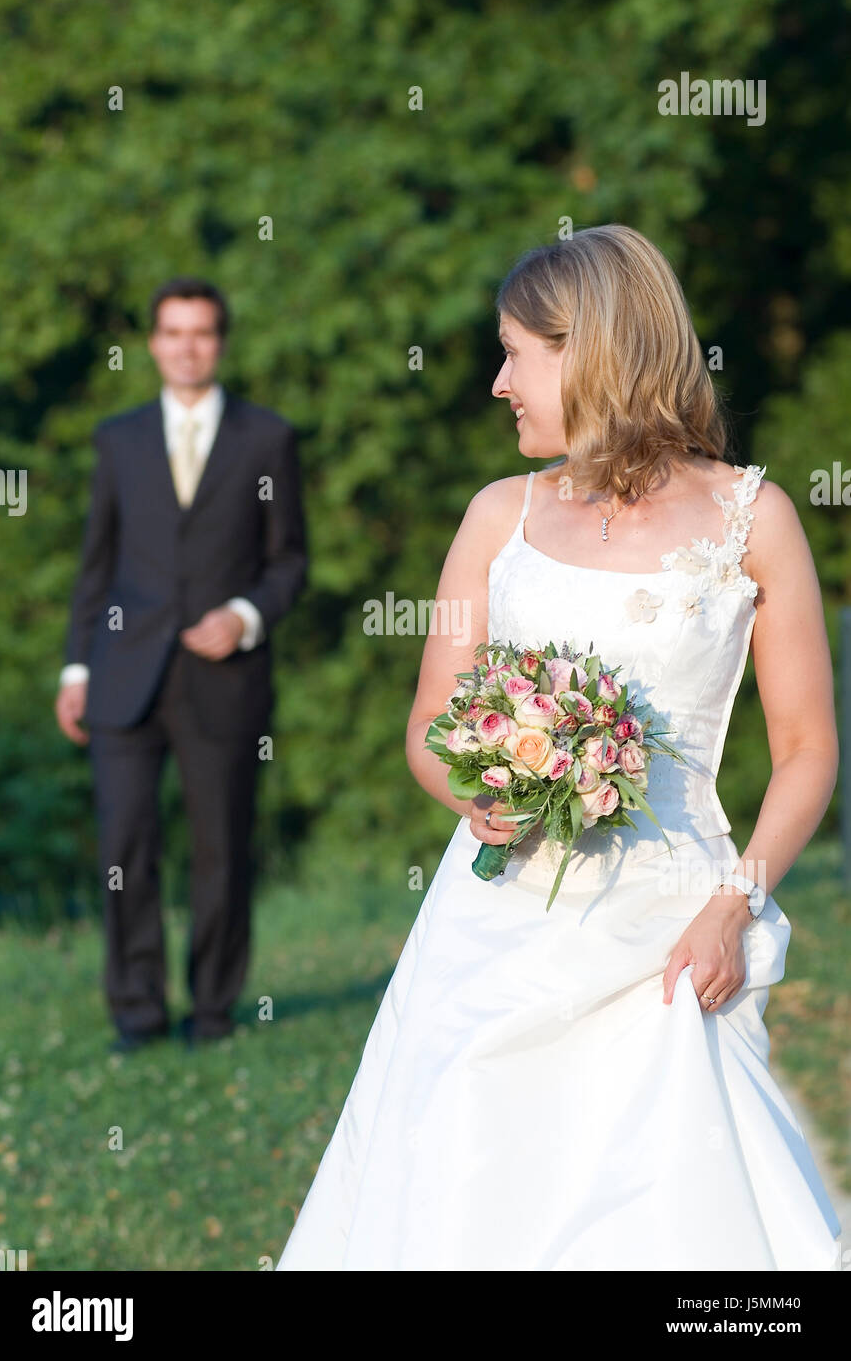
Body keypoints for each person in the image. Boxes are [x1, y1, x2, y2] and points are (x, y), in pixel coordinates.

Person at [275, 225, 842, 1270]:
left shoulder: (750, 518)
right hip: (490, 925)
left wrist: (733, 907)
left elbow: (807, 748)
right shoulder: (497, 516)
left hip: (670, 924)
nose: (497, 383)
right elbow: (429, 724)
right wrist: (473, 791)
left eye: (513, 353)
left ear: (586, 348)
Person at [54, 278, 308, 1053]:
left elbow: (290, 562)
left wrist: (245, 616)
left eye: (200, 333)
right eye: (172, 332)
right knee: (123, 849)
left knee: (220, 849)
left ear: (219, 343)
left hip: (223, 680)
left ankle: (212, 1013)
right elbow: (95, 567)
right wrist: (74, 671)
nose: (186, 346)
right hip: (122, 675)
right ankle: (136, 1015)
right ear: (154, 343)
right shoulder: (118, 439)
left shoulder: (267, 439)